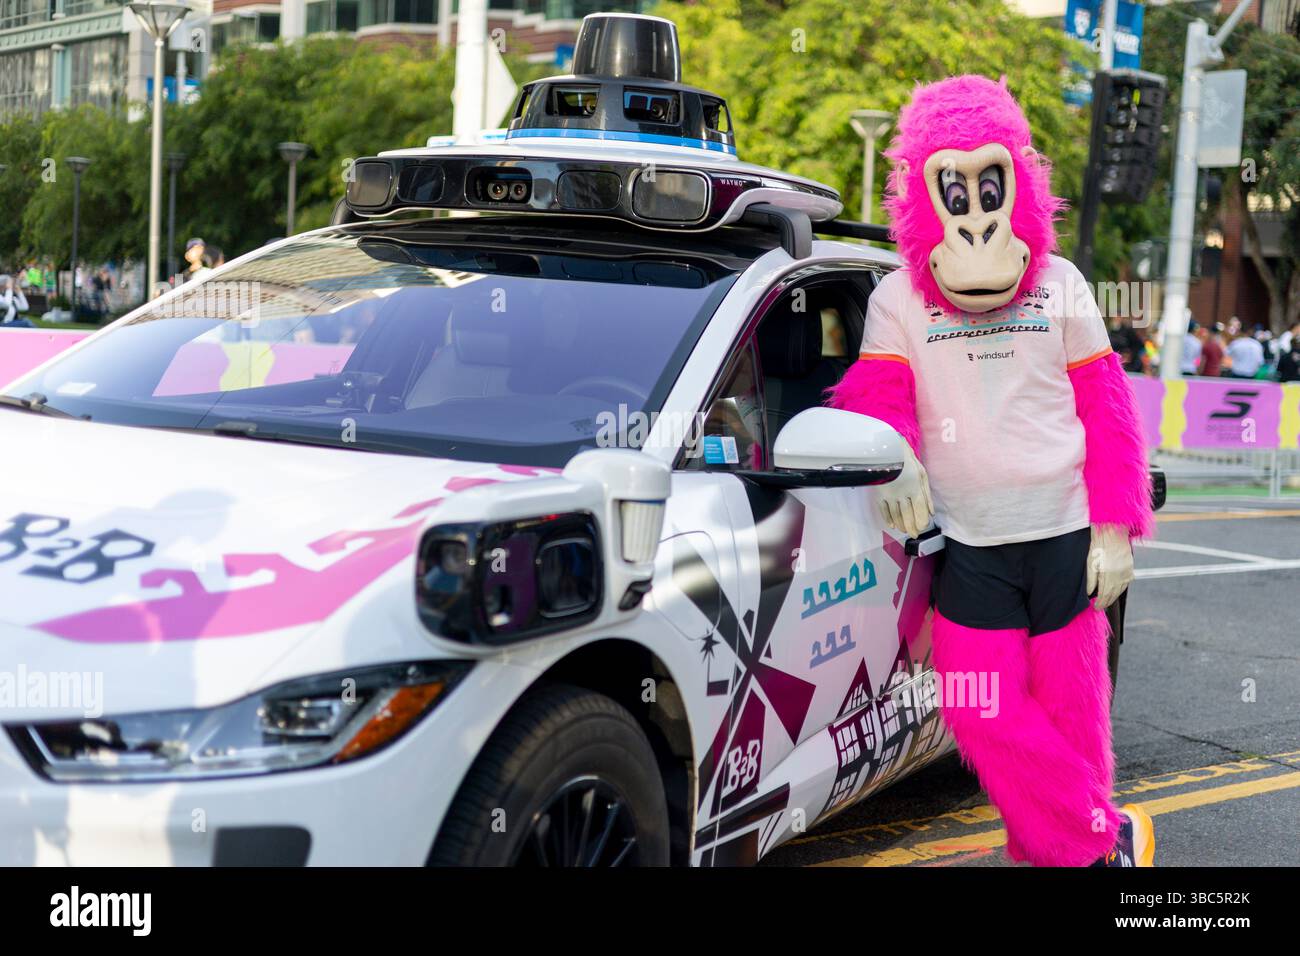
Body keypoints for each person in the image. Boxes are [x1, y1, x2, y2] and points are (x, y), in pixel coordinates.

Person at [828, 75, 1154, 868]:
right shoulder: (899, 299)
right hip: (970, 545)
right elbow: (877, 396)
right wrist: (894, 451)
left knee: (1072, 717)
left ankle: (1053, 855)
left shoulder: (1062, 285)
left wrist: (1116, 528)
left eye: (990, 184)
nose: (975, 214)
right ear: (924, 193)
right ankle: (1101, 839)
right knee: (979, 712)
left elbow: (1108, 414)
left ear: (1020, 180)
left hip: (1065, 538)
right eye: (954, 188)